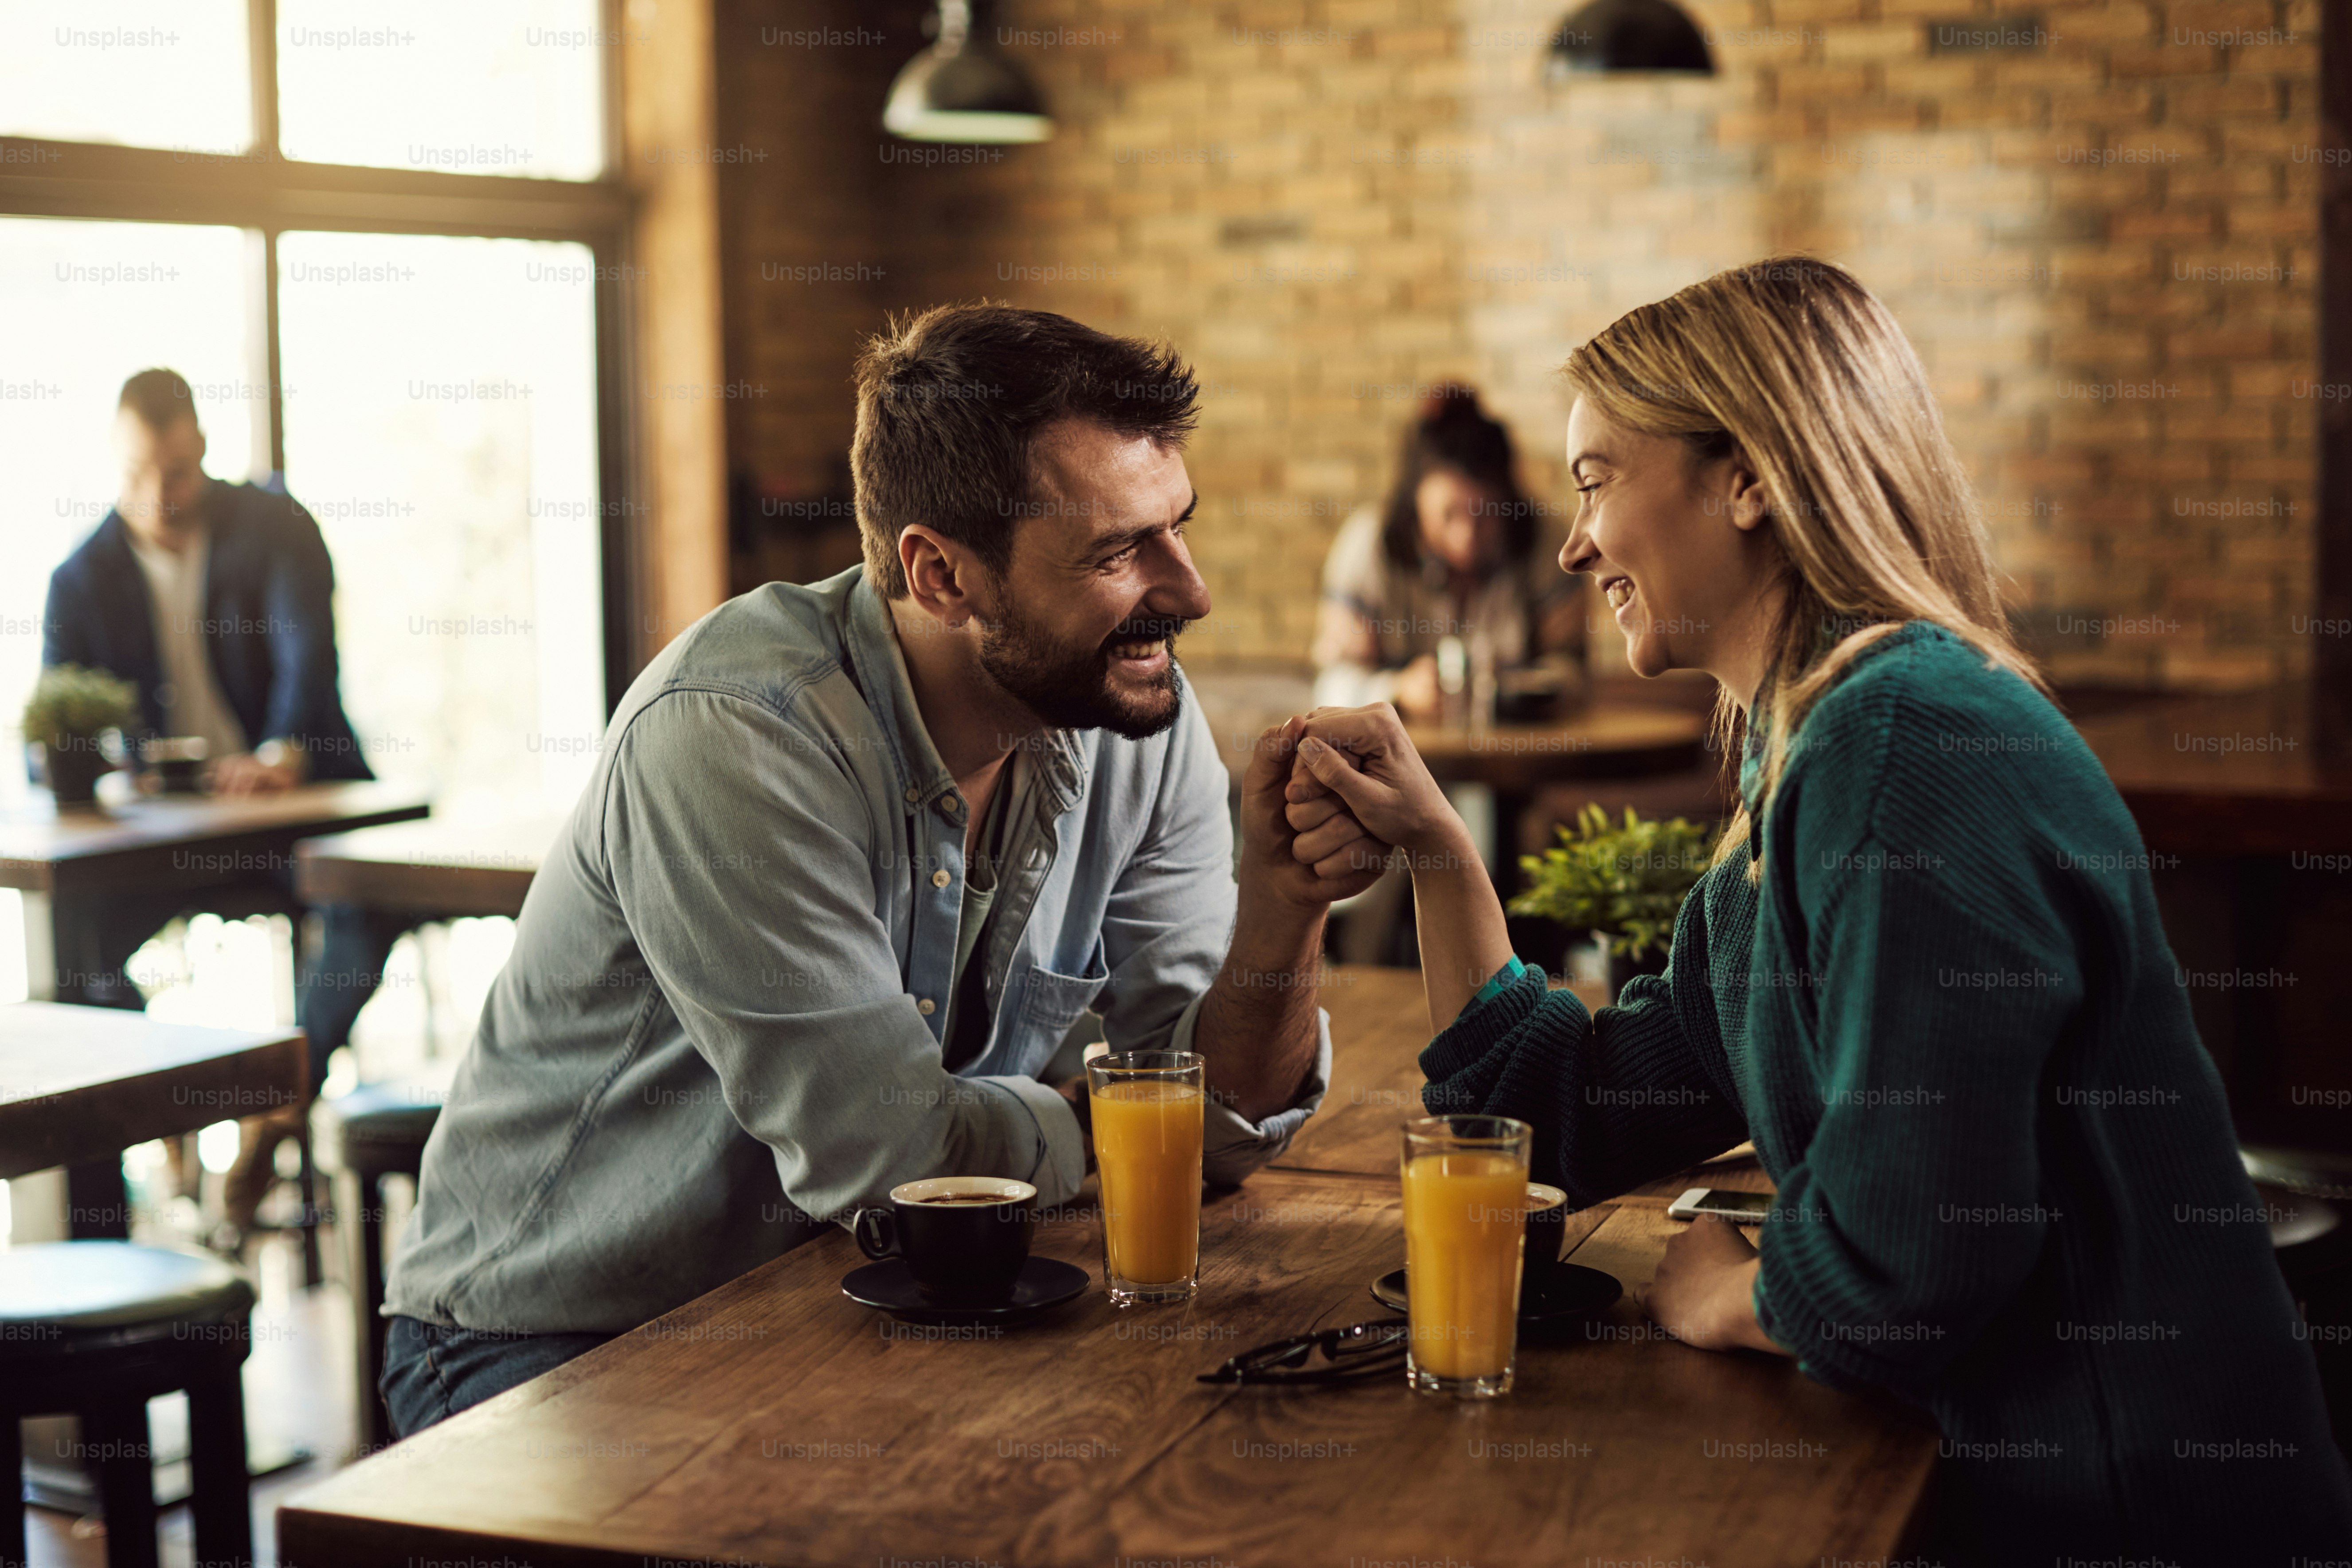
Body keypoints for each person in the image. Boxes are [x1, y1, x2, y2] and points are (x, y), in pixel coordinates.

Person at [1277, 258, 2352, 1565]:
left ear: (1750, 476)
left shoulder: (1896, 754)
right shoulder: (1815, 756)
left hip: (2122, 1514)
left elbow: (1910, 1275)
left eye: (1595, 479)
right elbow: (1566, 1109)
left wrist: (1730, 1297)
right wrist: (1441, 850)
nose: (1569, 544)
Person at [378, 305, 1383, 1435]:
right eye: (1116, 552)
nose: (1190, 590)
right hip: (560, 1347)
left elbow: (1215, 1122)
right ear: (941, 576)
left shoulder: (1127, 713)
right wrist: (1120, 1120)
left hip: (870, 1306)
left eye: (1175, 529)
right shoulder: (737, 733)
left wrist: (1285, 911)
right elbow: (899, 1167)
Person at [43, 368, 410, 1243]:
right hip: (163, 845)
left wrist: (283, 748)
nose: (158, 495)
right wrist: (99, 768)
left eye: (174, 470)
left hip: (290, 821)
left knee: (371, 897)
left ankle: (278, 1101)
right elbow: (53, 727)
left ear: (201, 447)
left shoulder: (273, 527)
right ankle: (142, 1156)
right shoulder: (80, 578)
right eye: (137, 473)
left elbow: (305, 657)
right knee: (83, 957)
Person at [1310, 383, 1583, 717]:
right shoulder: (1370, 545)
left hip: (1515, 763)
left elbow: (1574, 674)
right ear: (1415, 502)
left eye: (1484, 514)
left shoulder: (1545, 539)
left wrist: (1515, 692)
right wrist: (1397, 690)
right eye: (1448, 514)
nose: (1465, 537)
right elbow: (1331, 686)